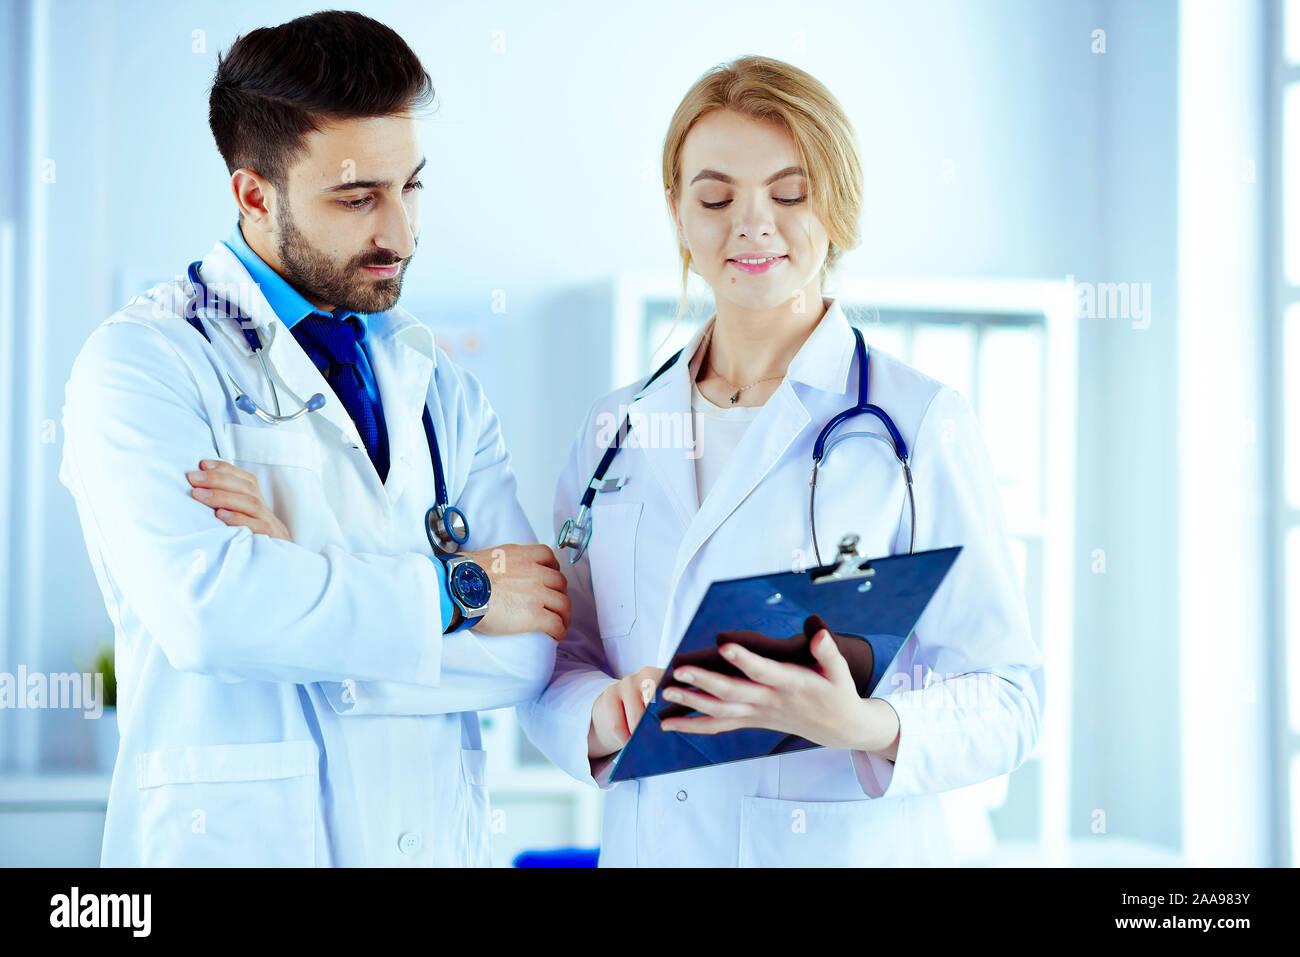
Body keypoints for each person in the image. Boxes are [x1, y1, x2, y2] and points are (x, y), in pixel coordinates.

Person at [58, 10, 568, 867]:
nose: (401, 234)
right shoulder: (143, 363)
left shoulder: (441, 387)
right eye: (357, 197)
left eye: (410, 186)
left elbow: (528, 653)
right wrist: (460, 594)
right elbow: (210, 620)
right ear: (255, 195)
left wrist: (297, 585)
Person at [517, 55, 1044, 866]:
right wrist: (600, 711)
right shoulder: (615, 429)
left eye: (789, 194)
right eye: (716, 196)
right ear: (678, 213)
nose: (752, 224)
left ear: (836, 204)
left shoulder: (916, 424)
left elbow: (1012, 697)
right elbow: (559, 655)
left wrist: (862, 723)